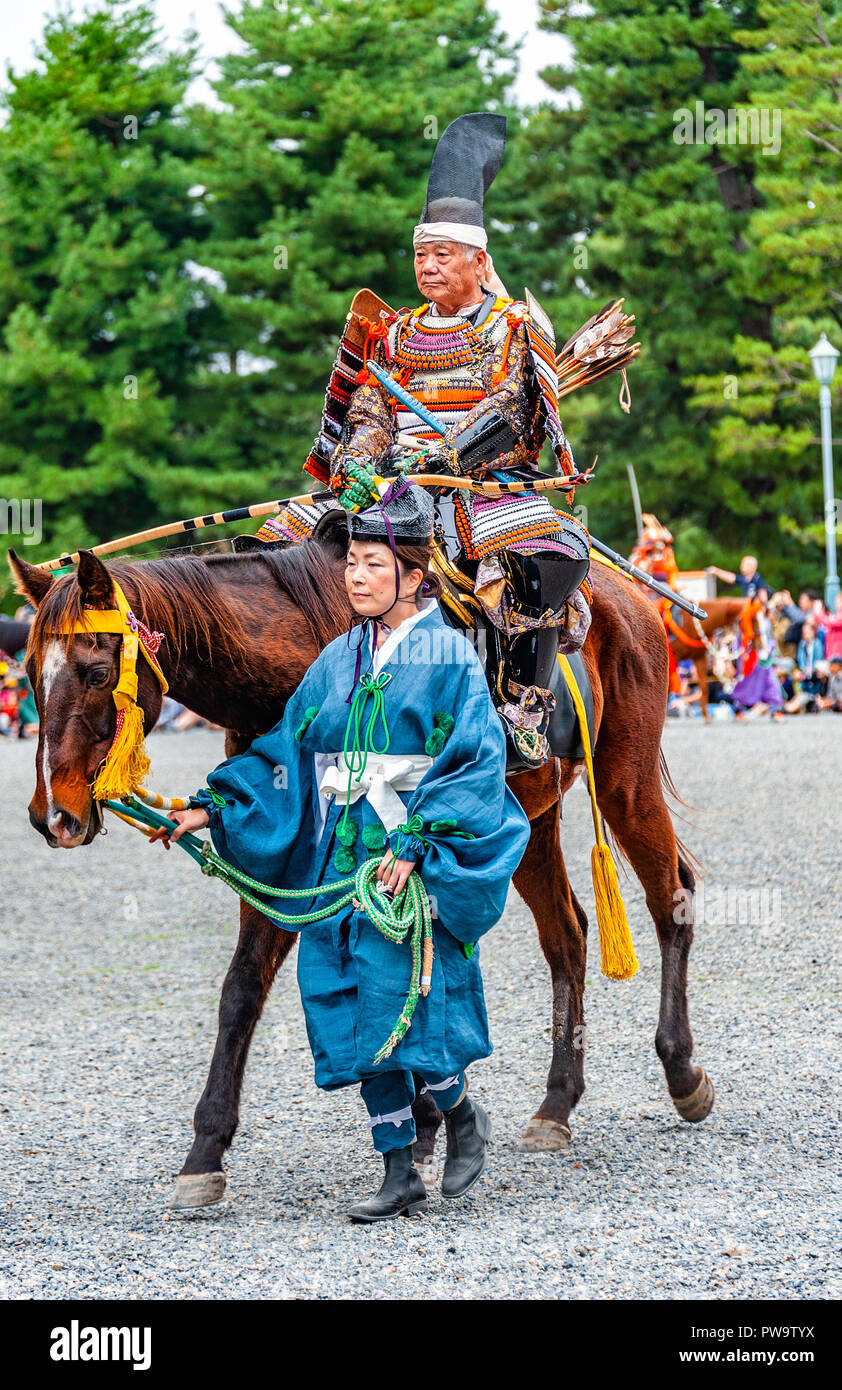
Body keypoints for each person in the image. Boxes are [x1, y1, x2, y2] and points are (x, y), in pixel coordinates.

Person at [152, 482, 532, 1222]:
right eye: (350, 563)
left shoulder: (451, 657)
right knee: (350, 1007)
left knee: (409, 1008)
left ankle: (461, 1113)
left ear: (414, 578)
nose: (355, 577)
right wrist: (209, 810)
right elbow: (286, 751)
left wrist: (421, 843)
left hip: (403, 863)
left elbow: (474, 761)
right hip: (341, 865)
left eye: (371, 564)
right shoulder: (334, 661)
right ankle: (396, 1169)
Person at [251, 113, 593, 769]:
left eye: (443, 255)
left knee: (546, 554)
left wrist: (446, 455)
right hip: (392, 487)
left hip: (485, 485)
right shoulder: (396, 332)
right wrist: (355, 461)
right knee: (283, 537)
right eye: (420, 254)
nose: (428, 267)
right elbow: (372, 407)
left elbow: (511, 408)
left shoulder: (511, 324)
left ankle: (526, 707)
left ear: (479, 260)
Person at [784, 619, 825, 714]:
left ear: (813, 632)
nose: (805, 634)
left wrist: (809, 672)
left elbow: (818, 663)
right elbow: (801, 663)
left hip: (815, 682)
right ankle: (786, 705)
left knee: (800, 699)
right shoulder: (802, 645)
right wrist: (801, 672)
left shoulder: (817, 644)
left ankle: (786, 708)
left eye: (807, 632)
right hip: (804, 682)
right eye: (804, 632)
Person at [706, 555, 774, 599]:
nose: (741, 566)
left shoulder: (757, 578)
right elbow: (731, 577)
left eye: (744, 564)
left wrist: (764, 608)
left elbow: (762, 593)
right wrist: (716, 571)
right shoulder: (745, 578)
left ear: (752, 566)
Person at [817, 591, 842, 666]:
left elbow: (827, 622)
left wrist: (818, 612)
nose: (836, 602)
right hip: (832, 650)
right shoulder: (839, 614)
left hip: (840, 652)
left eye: (839, 600)